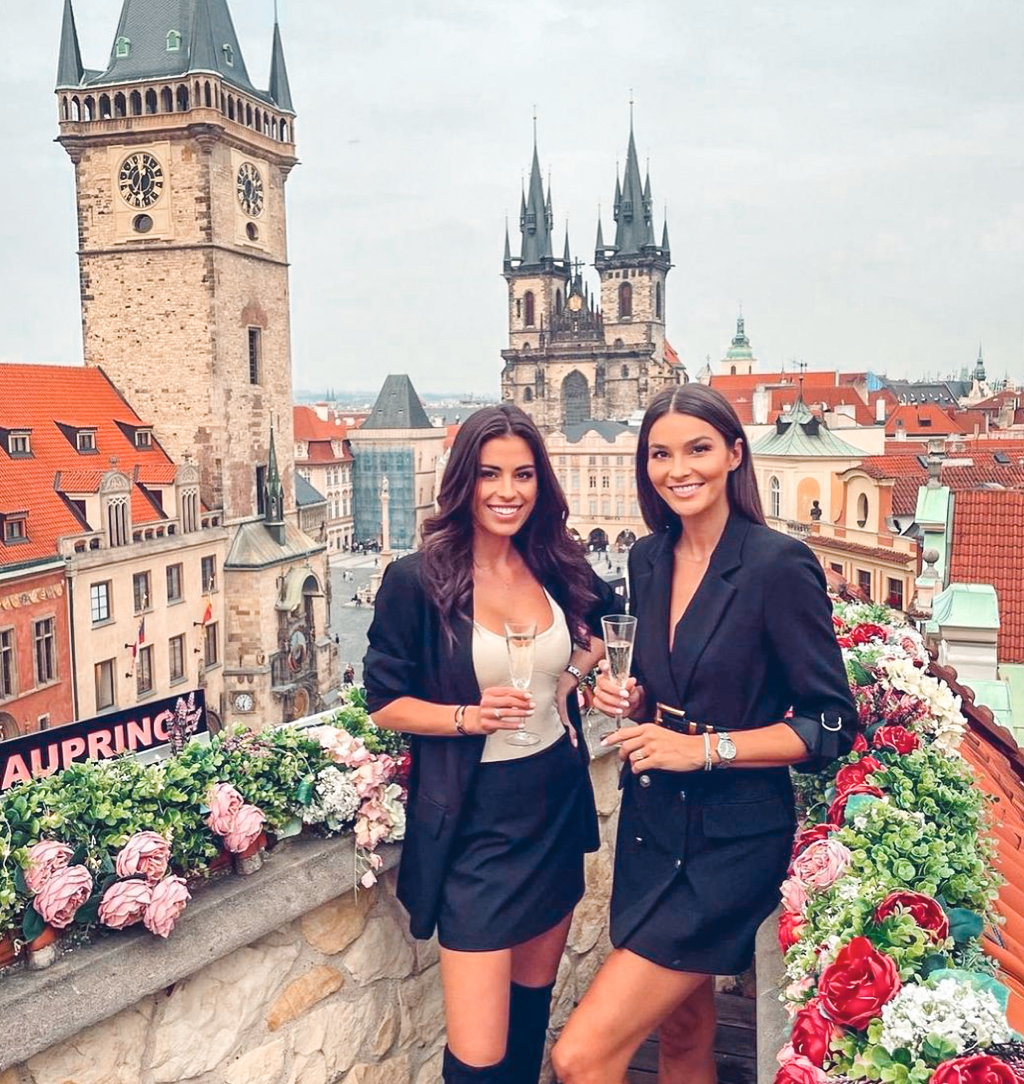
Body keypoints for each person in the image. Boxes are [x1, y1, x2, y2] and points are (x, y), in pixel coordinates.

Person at [552, 385, 857, 1084]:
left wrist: (706, 748)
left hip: (728, 839)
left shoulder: (777, 565)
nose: (677, 468)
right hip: (651, 822)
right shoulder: (648, 559)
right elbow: (668, 690)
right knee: (685, 1029)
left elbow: (832, 723)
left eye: (697, 449)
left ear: (733, 456)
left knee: (581, 1057)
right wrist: (626, 699)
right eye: (661, 453)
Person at [363, 404, 616, 1084]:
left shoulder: (555, 562)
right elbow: (383, 702)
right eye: (490, 474)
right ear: (463, 482)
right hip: (476, 825)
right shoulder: (418, 579)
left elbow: (604, 624)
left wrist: (570, 676)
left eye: (524, 474)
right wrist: (465, 718)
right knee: (477, 1058)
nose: (508, 490)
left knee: (529, 1021)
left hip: (555, 808)